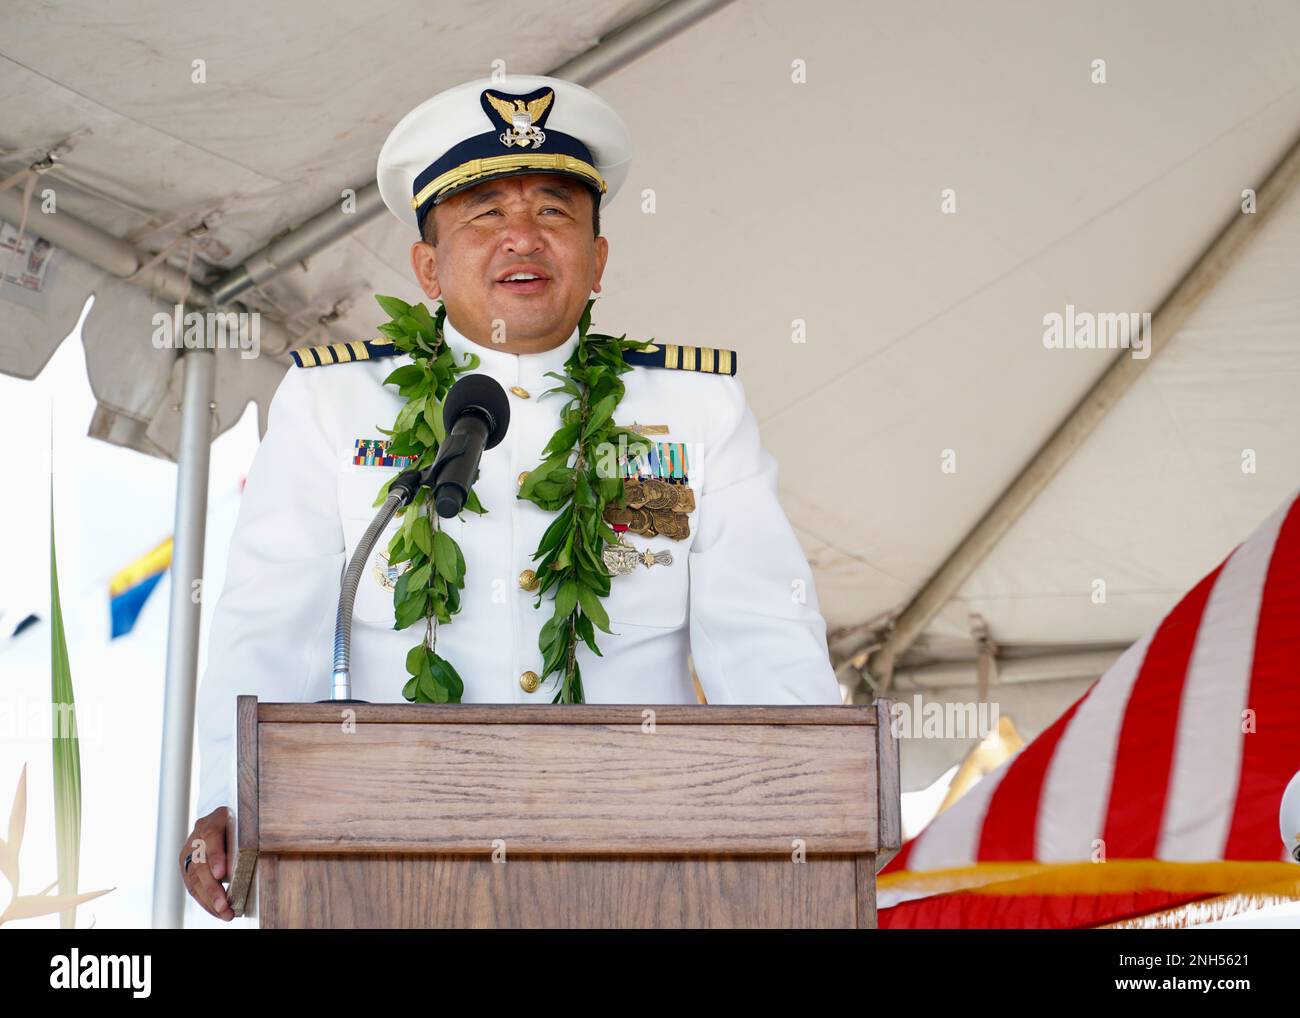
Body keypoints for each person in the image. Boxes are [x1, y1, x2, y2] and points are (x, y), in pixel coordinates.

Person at [181, 75, 842, 921]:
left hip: (643, 870)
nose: (522, 237)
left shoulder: (693, 411)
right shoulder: (335, 405)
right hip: (392, 863)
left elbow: (765, 634)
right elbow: (268, 623)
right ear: (427, 266)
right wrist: (230, 798)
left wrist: (818, 804)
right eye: (485, 214)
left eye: (555, 213)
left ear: (598, 260)